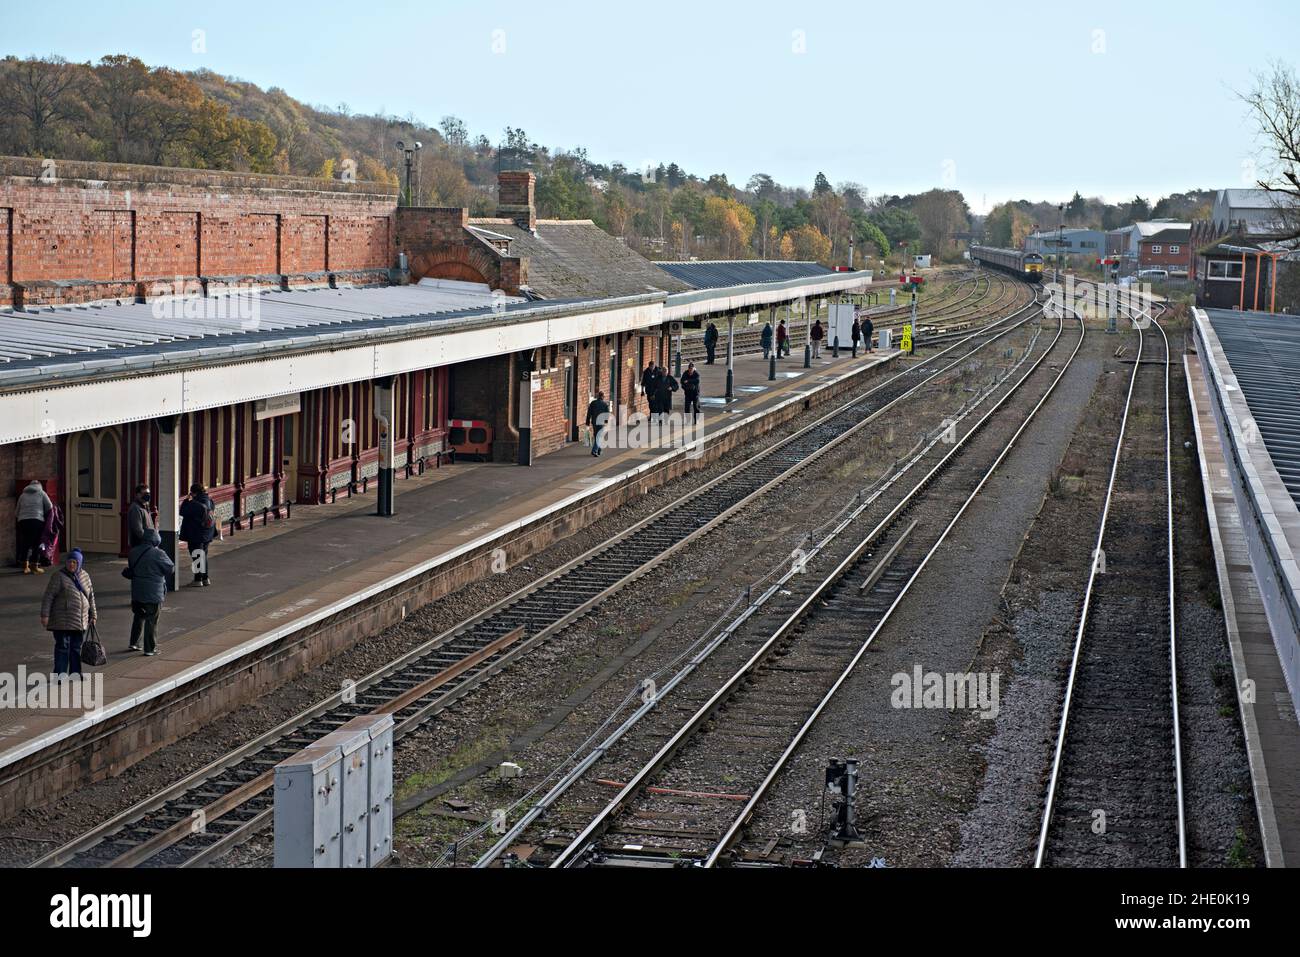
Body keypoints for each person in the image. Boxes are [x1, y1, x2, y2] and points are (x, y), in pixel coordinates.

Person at [40, 549, 96, 678]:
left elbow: (91, 596)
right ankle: (59, 674)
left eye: (75, 562)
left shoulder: (85, 576)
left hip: (80, 620)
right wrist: (45, 615)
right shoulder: (58, 576)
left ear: (80, 563)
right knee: (62, 647)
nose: (71, 565)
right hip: (62, 620)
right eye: (69, 561)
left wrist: (93, 615)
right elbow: (48, 596)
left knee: (76, 647)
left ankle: (75, 673)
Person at [125, 529, 174, 656]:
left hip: (137, 591)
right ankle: (150, 648)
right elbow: (170, 568)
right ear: (156, 539)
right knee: (151, 620)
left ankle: (134, 642)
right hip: (153, 592)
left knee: (138, 616)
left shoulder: (133, 552)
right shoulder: (159, 553)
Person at [179, 483, 218, 587]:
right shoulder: (210, 501)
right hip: (208, 532)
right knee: (203, 555)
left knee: (197, 555)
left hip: (196, 533)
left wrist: (187, 499)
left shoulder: (194, 504)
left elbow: (182, 511)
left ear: (194, 493)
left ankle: (198, 579)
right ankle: (205, 578)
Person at [16, 479, 52, 574]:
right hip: (37, 521)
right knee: (37, 544)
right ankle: (34, 566)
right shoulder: (42, 493)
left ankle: (25, 566)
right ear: (39, 485)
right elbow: (50, 506)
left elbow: (17, 511)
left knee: (25, 543)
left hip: (23, 521)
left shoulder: (22, 495)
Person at [127, 484, 154, 549]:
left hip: (148, 544)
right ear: (138, 495)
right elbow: (138, 530)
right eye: (145, 493)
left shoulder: (145, 506)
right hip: (140, 545)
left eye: (148, 493)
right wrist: (147, 541)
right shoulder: (136, 508)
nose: (147, 495)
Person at [585, 390, 610, 457]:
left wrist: (587, 421)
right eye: (604, 396)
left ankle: (599, 450)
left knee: (597, 436)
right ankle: (594, 451)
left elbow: (589, 413)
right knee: (599, 436)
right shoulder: (605, 404)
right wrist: (606, 421)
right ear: (602, 397)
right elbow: (607, 414)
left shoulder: (593, 403)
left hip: (594, 422)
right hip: (601, 422)